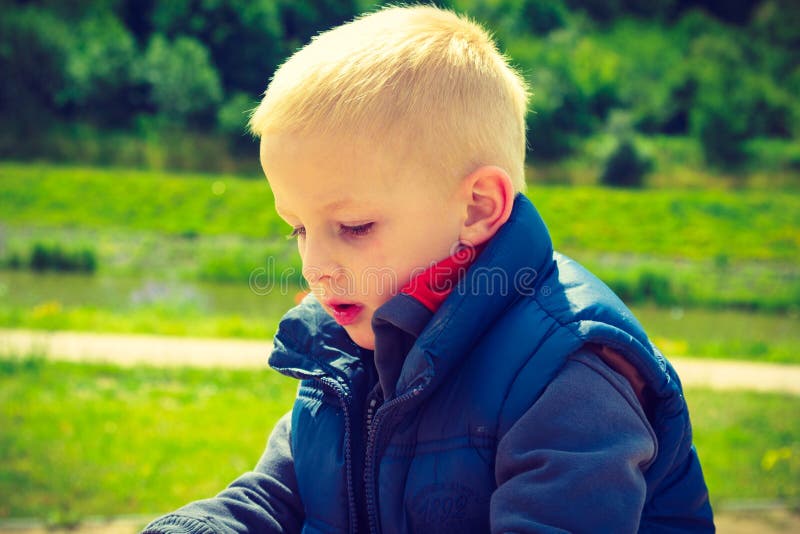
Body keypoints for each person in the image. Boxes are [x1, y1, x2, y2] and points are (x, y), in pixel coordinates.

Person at [142, 5, 714, 533]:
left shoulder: (567, 374)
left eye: (355, 226)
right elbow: (276, 497)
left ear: (477, 207)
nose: (314, 267)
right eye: (297, 228)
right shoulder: (346, 354)